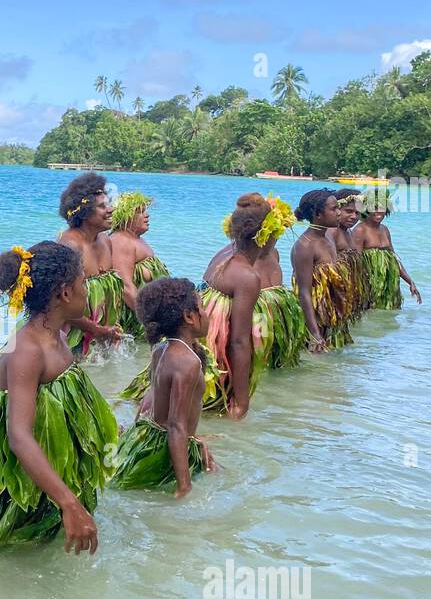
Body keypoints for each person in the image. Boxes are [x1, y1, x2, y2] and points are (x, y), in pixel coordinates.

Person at [0, 242, 117, 554]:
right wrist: (69, 504)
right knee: (4, 550)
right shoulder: (27, 350)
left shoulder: (55, 331)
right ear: (65, 293)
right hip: (20, 475)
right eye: (83, 282)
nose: (87, 289)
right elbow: (19, 436)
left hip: (49, 467)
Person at [122, 194, 304, 415]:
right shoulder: (247, 276)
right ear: (265, 236)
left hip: (195, 338)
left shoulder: (225, 253)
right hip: (209, 345)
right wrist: (241, 402)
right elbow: (238, 341)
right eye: (277, 233)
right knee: (197, 410)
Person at [111, 278, 215, 496]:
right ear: (188, 317)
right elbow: (176, 425)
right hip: (166, 448)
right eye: (202, 308)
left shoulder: (161, 349)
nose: (207, 313)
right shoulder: (188, 362)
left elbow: (153, 397)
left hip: (148, 437)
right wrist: (183, 485)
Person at [55, 172, 125, 355]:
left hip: (102, 335)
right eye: (102, 206)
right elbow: (60, 304)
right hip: (70, 338)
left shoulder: (105, 240)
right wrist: (98, 330)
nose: (110, 209)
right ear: (85, 213)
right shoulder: (70, 246)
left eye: (108, 203)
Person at [291, 188, 355, 351]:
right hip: (315, 321)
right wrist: (315, 335)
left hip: (331, 319)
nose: (339, 213)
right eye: (334, 209)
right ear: (317, 214)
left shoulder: (327, 237)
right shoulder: (305, 246)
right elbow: (303, 292)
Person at [107, 190, 169, 339]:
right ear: (125, 217)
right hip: (137, 319)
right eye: (140, 212)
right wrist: (151, 320)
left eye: (145, 211)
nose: (147, 215)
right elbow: (125, 286)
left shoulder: (136, 239)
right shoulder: (121, 241)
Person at [352, 194, 422, 309]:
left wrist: (410, 282)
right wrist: (363, 286)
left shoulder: (384, 229)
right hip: (370, 284)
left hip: (388, 285)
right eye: (374, 208)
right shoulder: (360, 230)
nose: (379, 212)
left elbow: (394, 258)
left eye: (382, 209)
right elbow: (357, 261)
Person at [329, 188, 371, 314]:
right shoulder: (332, 232)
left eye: (357, 213)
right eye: (349, 211)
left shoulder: (348, 232)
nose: (354, 217)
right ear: (337, 210)